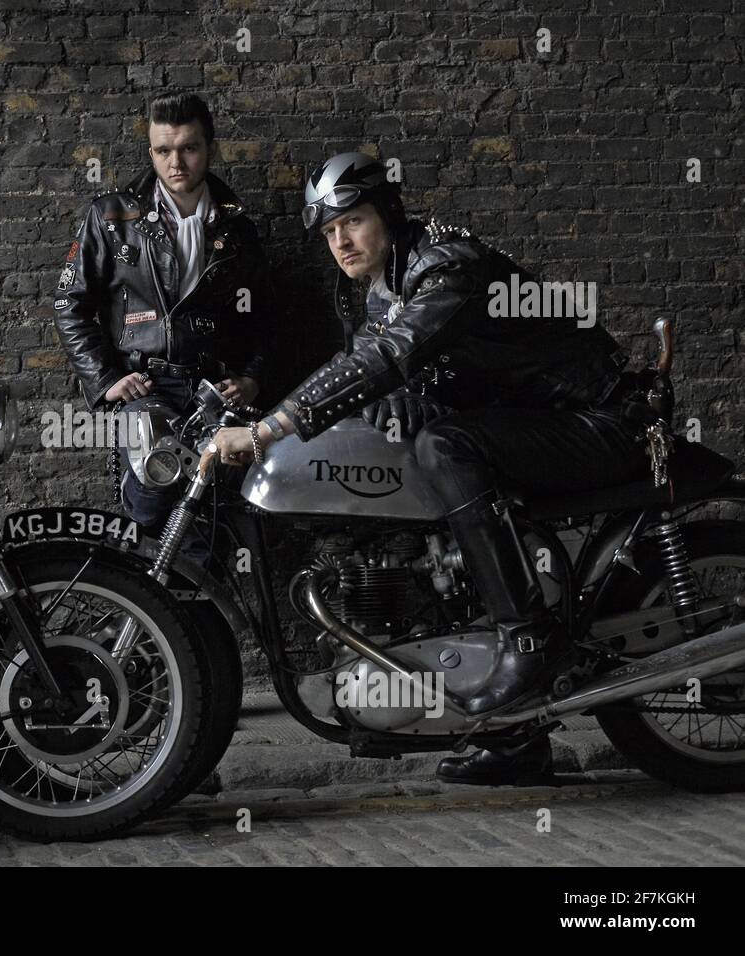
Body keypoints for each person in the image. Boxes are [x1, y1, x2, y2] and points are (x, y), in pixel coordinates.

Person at [203, 152, 651, 785]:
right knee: (424, 463)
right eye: (330, 232)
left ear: (386, 212)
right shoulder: (386, 287)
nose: (341, 242)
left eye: (352, 221)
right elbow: (368, 371)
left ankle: (528, 639)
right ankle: (515, 738)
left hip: (598, 420)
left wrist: (269, 427)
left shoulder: (445, 265)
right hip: (531, 423)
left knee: (445, 448)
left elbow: (391, 354)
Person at [53, 91, 273, 550]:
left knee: (209, 515)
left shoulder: (238, 228)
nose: (176, 162)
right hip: (146, 386)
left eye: (189, 148)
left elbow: (265, 317)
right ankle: (140, 605)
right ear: (150, 151)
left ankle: (189, 617)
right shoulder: (111, 216)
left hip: (212, 390)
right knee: (150, 496)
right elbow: (69, 303)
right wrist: (106, 377)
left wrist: (251, 378)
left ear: (210, 148)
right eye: (162, 150)